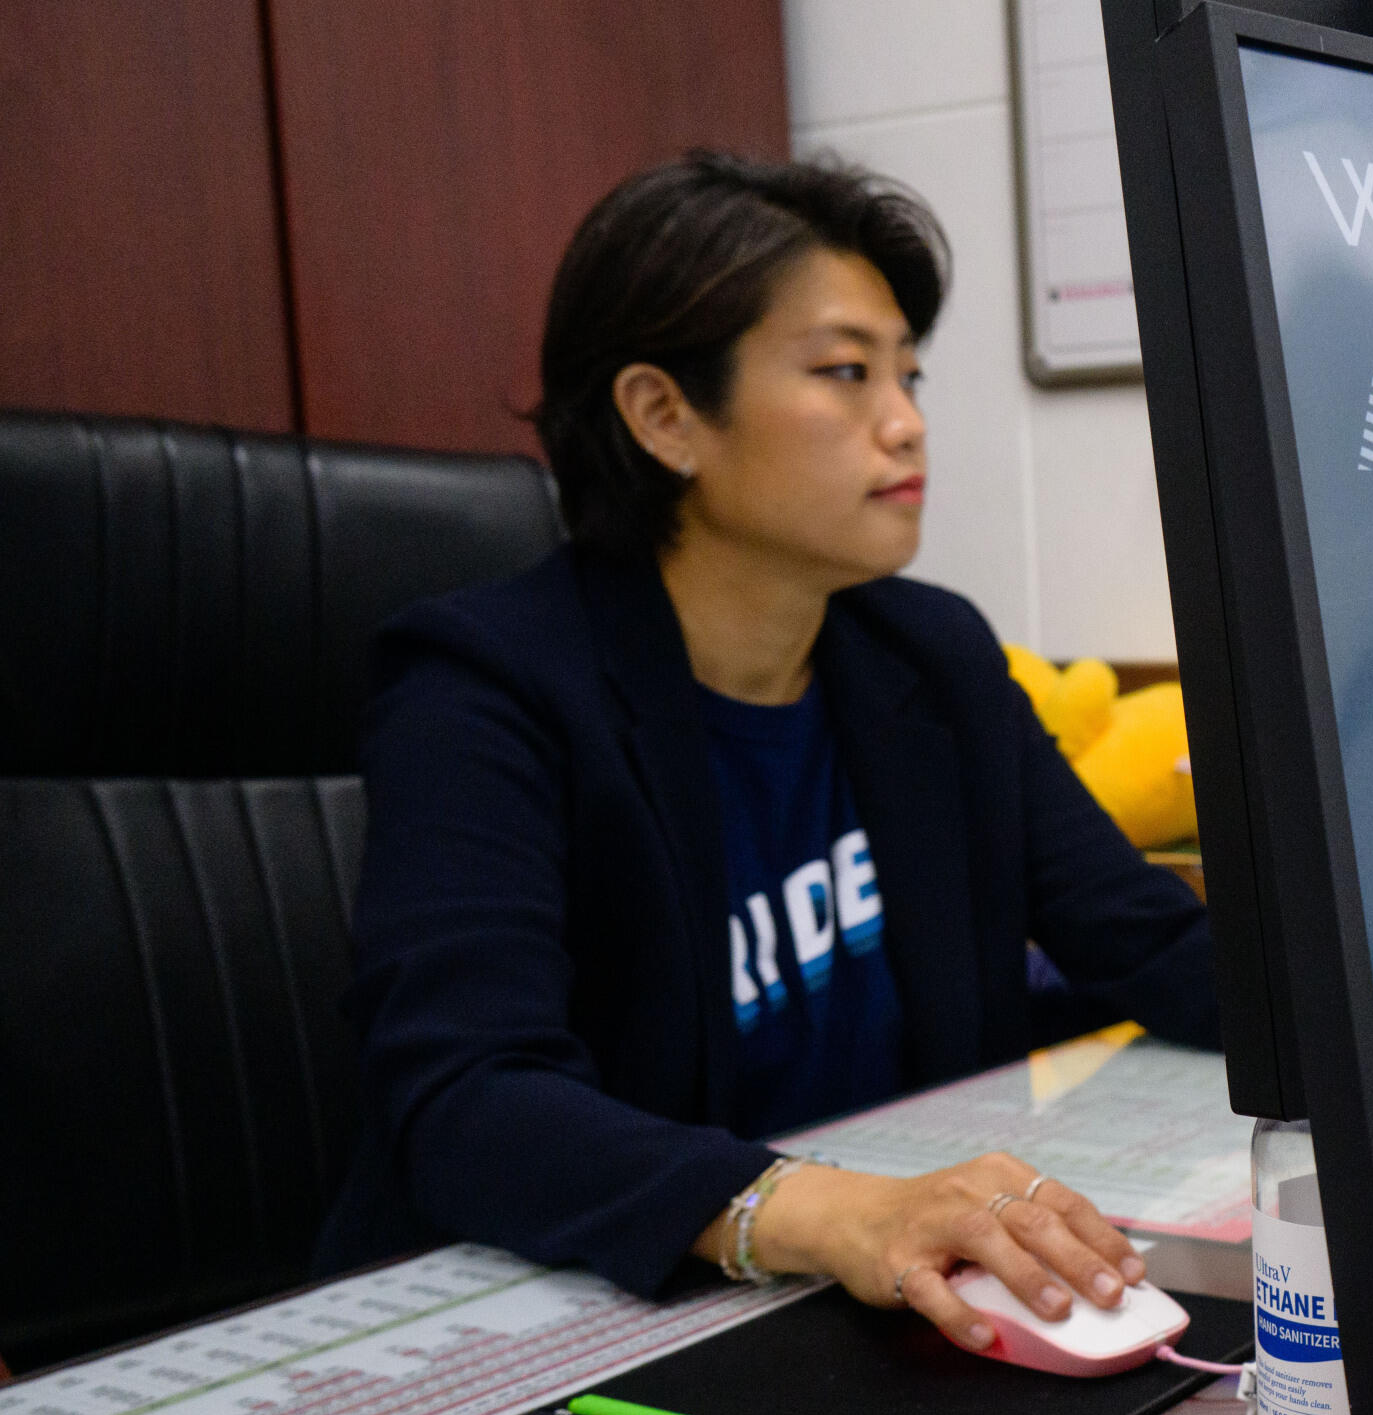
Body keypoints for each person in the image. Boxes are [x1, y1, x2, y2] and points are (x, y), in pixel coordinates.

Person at [316, 152, 1218, 1353]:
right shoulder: (485, 687)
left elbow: (1146, 943)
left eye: (907, 374)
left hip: (856, 1297)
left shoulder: (927, 657)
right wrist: (811, 1210)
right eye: (844, 374)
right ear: (663, 416)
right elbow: (468, 1099)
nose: (904, 423)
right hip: (557, 1316)